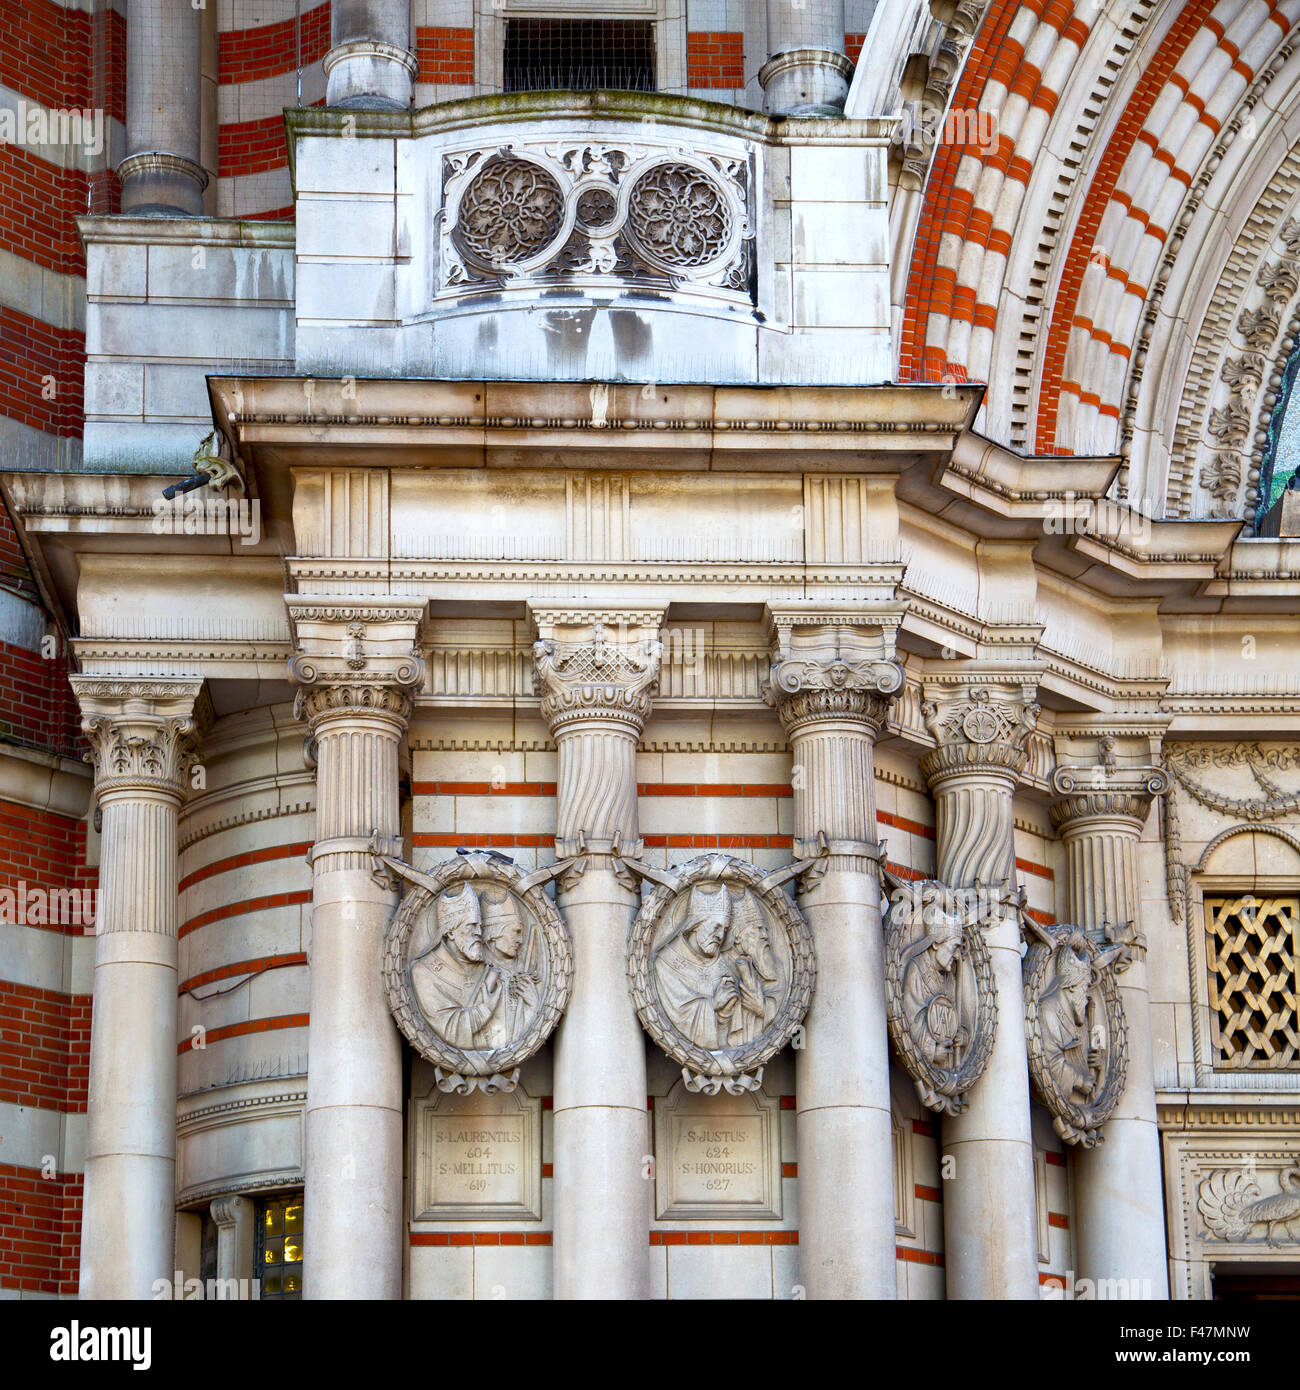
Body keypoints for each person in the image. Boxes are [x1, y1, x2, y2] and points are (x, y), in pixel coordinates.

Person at [411, 883, 503, 1049]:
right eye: (471, 925)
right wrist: (485, 1009)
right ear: (450, 932)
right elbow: (449, 1029)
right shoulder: (423, 972)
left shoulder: (487, 970)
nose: (479, 933)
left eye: (480, 926)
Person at [653, 883, 737, 1049]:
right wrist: (713, 1004)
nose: (720, 935)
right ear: (695, 925)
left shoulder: (724, 969)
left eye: (725, 929)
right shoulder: (666, 964)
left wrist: (725, 1013)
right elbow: (678, 1017)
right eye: (716, 926)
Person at [899, 893, 969, 1068]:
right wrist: (932, 1049)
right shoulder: (916, 970)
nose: (957, 956)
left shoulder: (950, 979)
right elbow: (911, 1018)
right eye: (954, 947)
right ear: (936, 944)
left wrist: (961, 1036)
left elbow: (953, 1018)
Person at [1038, 946, 1100, 1104]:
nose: (1086, 995)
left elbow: (1079, 1053)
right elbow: (1050, 1062)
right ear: (1072, 986)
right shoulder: (1048, 1010)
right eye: (1084, 987)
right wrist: (1079, 1081)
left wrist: (1093, 1061)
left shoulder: (1078, 1016)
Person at [479, 889, 539, 1048]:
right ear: (494, 933)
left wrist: (532, 1004)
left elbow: (523, 1035)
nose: (520, 940)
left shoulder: (521, 977)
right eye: (516, 931)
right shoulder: (477, 974)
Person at [725, 893, 781, 1045]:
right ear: (737, 936)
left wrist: (763, 1009)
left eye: (765, 929)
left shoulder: (768, 967)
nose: (764, 935)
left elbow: (784, 1005)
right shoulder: (719, 966)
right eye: (757, 929)